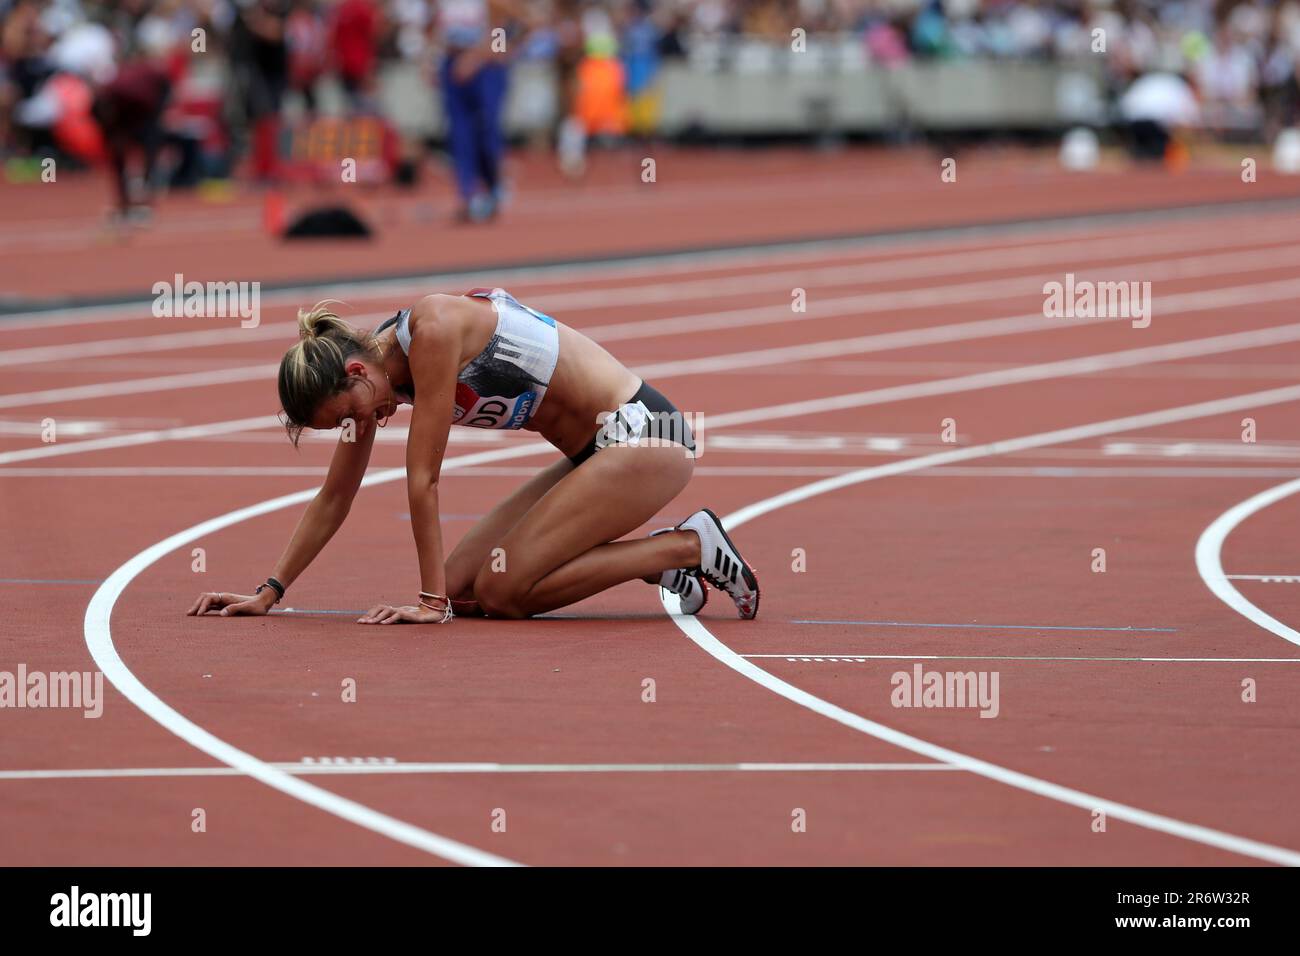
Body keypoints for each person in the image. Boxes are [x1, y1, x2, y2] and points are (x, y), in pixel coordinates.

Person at [187, 287, 760, 624]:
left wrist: (428, 604)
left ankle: (689, 544)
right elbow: (336, 494)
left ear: (356, 371)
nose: (360, 427)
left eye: (348, 415)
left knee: (500, 592)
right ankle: (657, 563)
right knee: (469, 587)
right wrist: (270, 591)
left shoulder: (431, 331)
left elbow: (423, 479)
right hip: (597, 455)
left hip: (647, 436)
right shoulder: (379, 381)